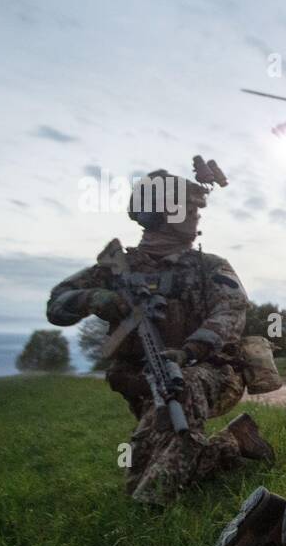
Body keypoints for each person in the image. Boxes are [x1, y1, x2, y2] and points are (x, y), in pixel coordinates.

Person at [46, 168, 274, 504]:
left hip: (209, 373)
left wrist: (189, 351)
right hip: (143, 384)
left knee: (154, 475)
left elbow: (231, 312)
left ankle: (151, 506)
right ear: (163, 212)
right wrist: (96, 298)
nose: (197, 216)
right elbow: (57, 304)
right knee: (145, 469)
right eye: (190, 209)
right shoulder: (116, 268)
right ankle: (235, 443)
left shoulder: (209, 266)